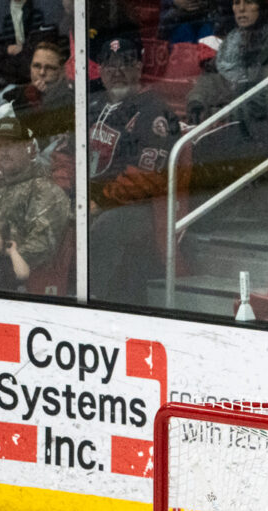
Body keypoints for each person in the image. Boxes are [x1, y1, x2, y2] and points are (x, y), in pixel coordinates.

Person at [83, 33, 181, 306]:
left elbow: (144, 179)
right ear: (100, 70)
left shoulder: (155, 113)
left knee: (104, 228)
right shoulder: (93, 104)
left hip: (138, 207)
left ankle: (93, 301)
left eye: (125, 64)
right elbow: (66, 154)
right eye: (109, 65)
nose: (117, 72)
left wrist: (100, 200)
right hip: (93, 198)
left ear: (138, 67)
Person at [0, 116, 72, 279]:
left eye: (11, 144)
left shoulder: (46, 191)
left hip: (19, 285)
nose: (4, 151)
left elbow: (40, 248)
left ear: (27, 147)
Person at [183, 0, 268, 193]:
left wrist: (225, 112)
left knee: (204, 146)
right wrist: (197, 100)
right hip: (229, 120)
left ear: (262, 6)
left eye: (248, 2)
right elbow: (210, 79)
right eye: (236, 2)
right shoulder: (231, 41)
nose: (240, 9)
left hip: (260, 127)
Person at [0, 39, 76, 153]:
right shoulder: (23, 92)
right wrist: (29, 95)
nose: (41, 73)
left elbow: (42, 140)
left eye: (49, 68)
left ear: (61, 72)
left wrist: (35, 99)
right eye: (36, 66)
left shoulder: (69, 98)